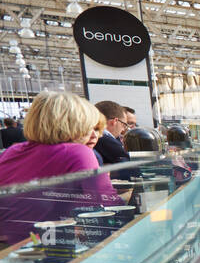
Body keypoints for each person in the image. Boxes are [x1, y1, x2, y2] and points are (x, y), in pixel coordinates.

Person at [0, 91, 119, 244]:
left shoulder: (12, 151)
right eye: (87, 125)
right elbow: (110, 205)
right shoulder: (78, 152)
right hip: (46, 246)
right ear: (71, 124)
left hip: (11, 247)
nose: (94, 135)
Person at [93, 100, 130, 164]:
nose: (123, 130)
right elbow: (128, 162)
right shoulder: (104, 138)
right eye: (124, 125)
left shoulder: (95, 136)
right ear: (115, 121)